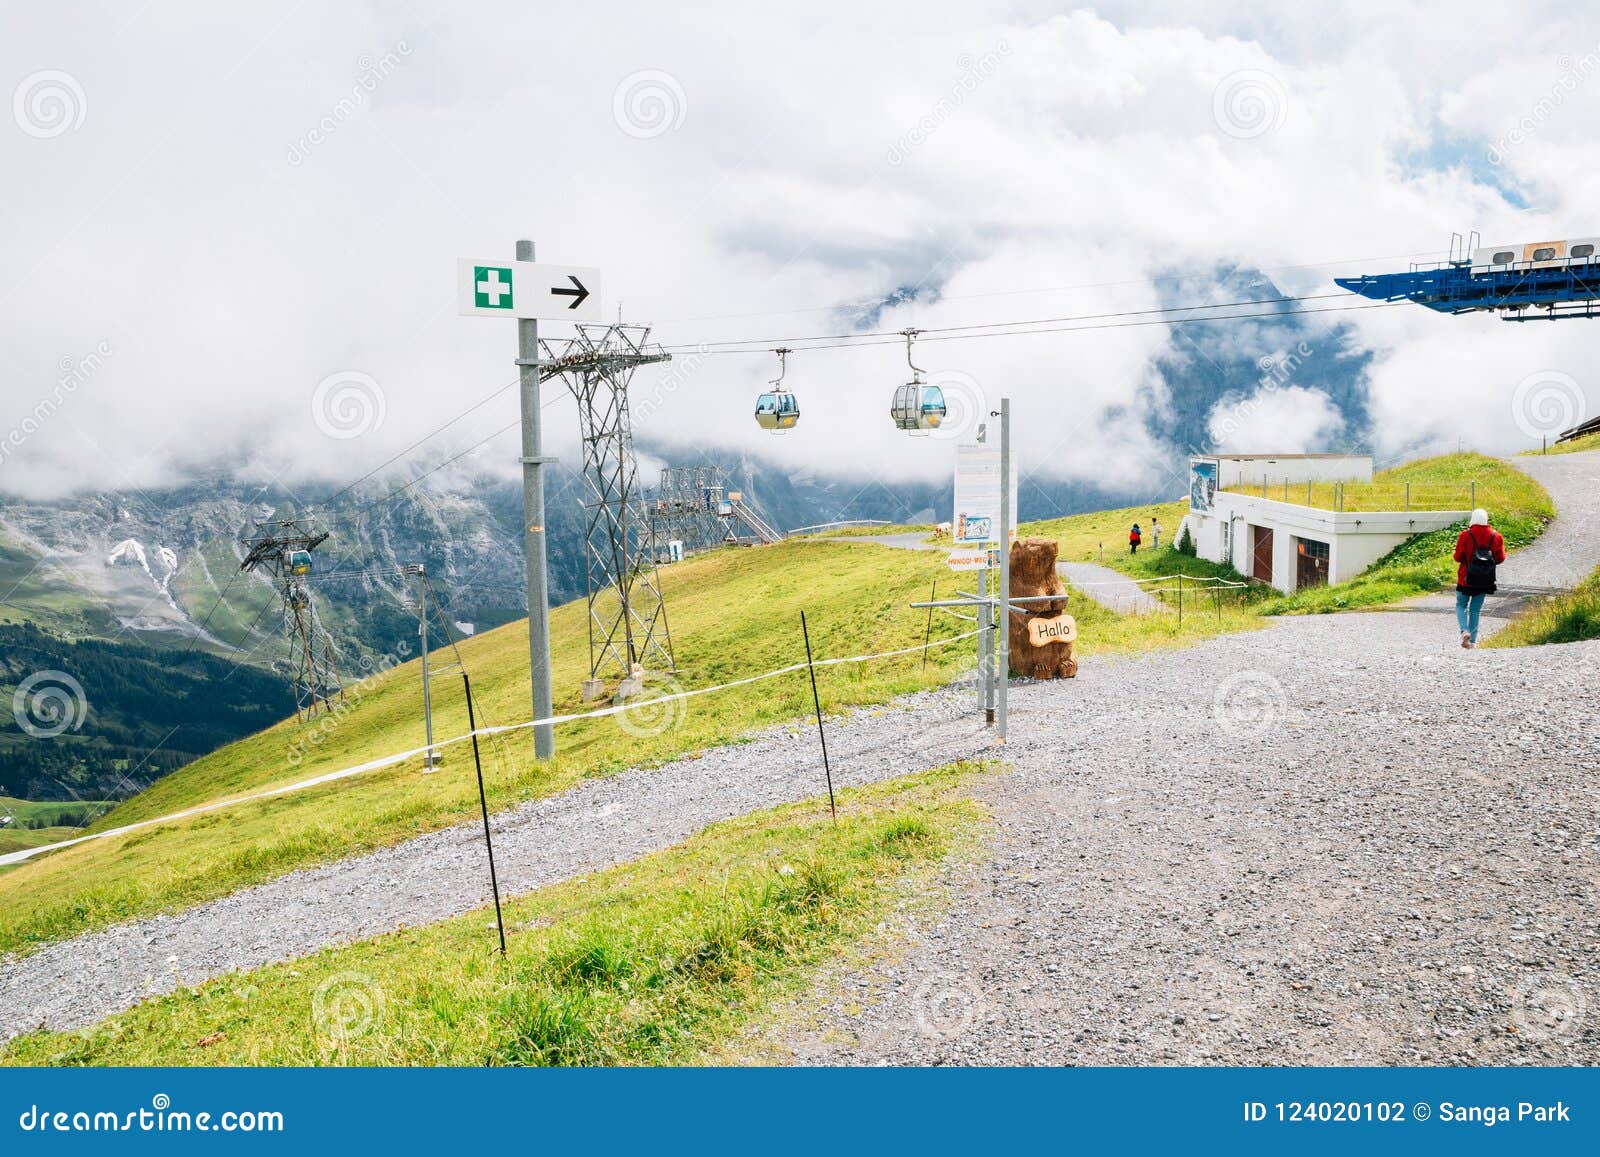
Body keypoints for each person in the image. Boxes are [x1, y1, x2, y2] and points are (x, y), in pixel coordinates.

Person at [1453, 508, 1505, 649]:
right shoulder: (1496, 536)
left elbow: (1457, 557)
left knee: (1461, 605)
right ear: (1486, 519)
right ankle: (1473, 642)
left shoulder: (1465, 535)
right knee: (1475, 609)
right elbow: (1500, 559)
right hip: (1484, 580)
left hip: (1465, 578)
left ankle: (1464, 631)